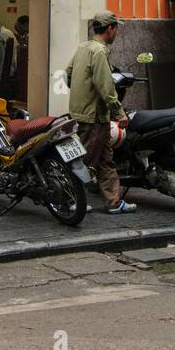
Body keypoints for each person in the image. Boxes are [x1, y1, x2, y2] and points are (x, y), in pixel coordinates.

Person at [65, 11, 135, 215]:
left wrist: (81, 91)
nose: (117, 32)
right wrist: (119, 113)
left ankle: (113, 202)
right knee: (84, 161)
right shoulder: (99, 52)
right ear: (110, 29)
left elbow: (68, 74)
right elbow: (106, 87)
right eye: (116, 28)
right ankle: (69, 198)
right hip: (93, 115)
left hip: (86, 112)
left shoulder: (83, 47)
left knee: (105, 160)